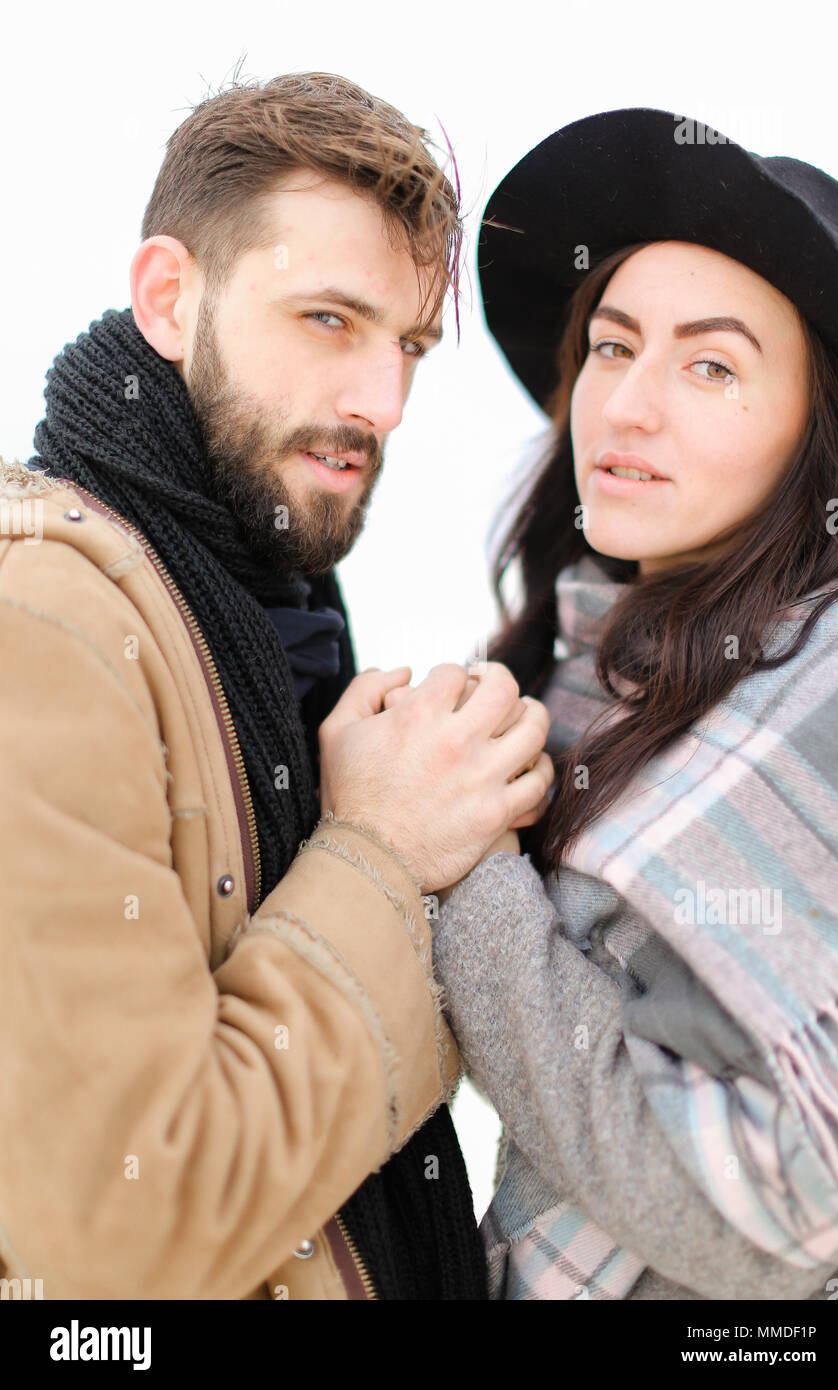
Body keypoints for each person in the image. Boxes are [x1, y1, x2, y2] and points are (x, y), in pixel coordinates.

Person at [0, 71, 553, 1301]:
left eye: (406, 345)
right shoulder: (43, 626)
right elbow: (122, 1225)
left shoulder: (273, 624)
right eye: (326, 321)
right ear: (166, 296)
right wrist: (379, 847)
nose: (384, 402)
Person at [427, 108, 838, 1300]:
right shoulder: (573, 673)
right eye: (613, 347)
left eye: (710, 366)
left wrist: (454, 853)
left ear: (815, 435)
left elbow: (771, 1213)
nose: (625, 405)